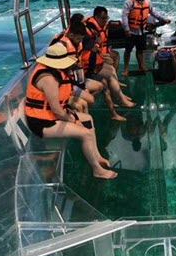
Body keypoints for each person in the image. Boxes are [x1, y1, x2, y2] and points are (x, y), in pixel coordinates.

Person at [23, 43, 117, 179]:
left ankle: (97, 156)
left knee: (88, 119)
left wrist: (75, 118)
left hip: (52, 116)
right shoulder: (48, 79)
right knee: (85, 133)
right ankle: (97, 170)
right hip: (41, 122)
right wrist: (73, 121)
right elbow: (57, 111)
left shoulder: (56, 71)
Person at [82, 6, 136, 120]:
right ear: (95, 17)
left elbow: (98, 47)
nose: (105, 20)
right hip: (88, 68)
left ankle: (119, 94)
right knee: (109, 74)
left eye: (106, 18)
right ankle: (121, 100)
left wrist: (105, 53)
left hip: (94, 62)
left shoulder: (101, 26)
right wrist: (103, 56)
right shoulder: (87, 33)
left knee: (111, 68)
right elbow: (90, 50)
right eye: (103, 18)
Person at [122, 0, 170, 76]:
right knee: (128, 50)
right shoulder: (129, 2)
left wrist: (163, 19)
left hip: (142, 30)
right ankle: (126, 69)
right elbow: (124, 16)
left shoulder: (148, 2)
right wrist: (127, 29)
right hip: (131, 31)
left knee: (140, 50)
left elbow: (153, 13)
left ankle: (141, 66)